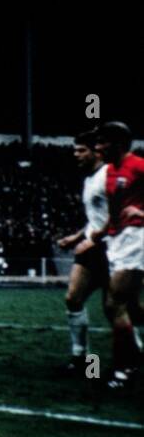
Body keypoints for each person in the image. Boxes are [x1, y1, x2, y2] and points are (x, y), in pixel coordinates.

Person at [85, 121, 143, 389]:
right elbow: (114, 210)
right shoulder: (109, 171)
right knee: (131, 307)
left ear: (117, 144)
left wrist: (142, 214)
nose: (97, 147)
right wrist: (96, 235)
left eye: (101, 142)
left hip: (137, 239)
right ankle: (133, 359)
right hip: (116, 242)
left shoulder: (138, 166)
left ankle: (125, 368)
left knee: (114, 304)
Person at [52, 130, 109, 376]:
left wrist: (95, 238)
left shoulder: (109, 175)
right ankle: (80, 357)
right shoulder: (89, 179)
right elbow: (95, 219)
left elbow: (118, 215)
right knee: (73, 298)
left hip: (113, 247)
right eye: (74, 150)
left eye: (81, 150)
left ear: (96, 151)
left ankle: (132, 355)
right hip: (91, 248)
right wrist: (76, 237)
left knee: (116, 309)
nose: (76, 155)